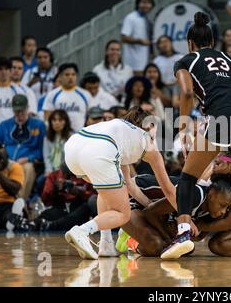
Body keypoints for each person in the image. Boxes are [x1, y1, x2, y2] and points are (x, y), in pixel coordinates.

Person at [160, 12, 231, 261]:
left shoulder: (186, 61)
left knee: (189, 177)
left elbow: (187, 91)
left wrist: (183, 127)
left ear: (190, 43)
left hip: (222, 114)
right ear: (212, 42)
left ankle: (182, 234)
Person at [63, 107, 178, 259]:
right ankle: (82, 231)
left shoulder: (119, 131)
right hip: (98, 150)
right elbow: (169, 191)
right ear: (149, 126)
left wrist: (149, 205)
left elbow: (129, 185)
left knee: (105, 191)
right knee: (123, 214)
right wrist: (185, 220)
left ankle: (105, 244)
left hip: (73, 148)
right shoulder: (145, 141)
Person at [0, 95, 46, 200]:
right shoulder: (4, 125)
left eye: (22, 111)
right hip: (7, 161)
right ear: (12, 110)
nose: (20, 115)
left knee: (28, 168)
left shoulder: (39, 125)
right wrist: (2, 158)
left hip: (27, 161)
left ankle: (19, 201)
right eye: (17, 112)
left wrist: (28, 158)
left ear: (28, 108)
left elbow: (42, 151)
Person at [32, 163, 97, 231]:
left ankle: (51, 226)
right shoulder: (54, 176)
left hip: (79, 207)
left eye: (71, 174)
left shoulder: (85, 176)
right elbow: (45, 200)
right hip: (61, 207)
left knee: (84, 209)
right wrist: (55, 189)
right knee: (43, 216)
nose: (68, 177)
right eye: (65, 174)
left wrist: (79, 192)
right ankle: (32, 224)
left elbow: (94, 197)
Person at [43, 63, 93, 132]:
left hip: (80, 135)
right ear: (60, 76)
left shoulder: (85, 94)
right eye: (67, 75)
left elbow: (91, 115)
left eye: (73, 74)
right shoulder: (52, 95)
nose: (70, 77)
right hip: (59, 136)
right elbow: (47, 117)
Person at [120, 0, 154, 75]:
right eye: (143, 2)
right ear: (138, 4)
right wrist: (140, 41)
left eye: (148, 3)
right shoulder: (131, 17)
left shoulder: (147, 19)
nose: (146, 5)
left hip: (145, 62)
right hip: (133, 64)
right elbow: (123, 37)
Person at [43, 110, 72, 176]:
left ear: (66, 122)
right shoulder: (47, 138)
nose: (57, 123)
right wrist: (49, 170)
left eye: (60, 120)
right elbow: (46, 157)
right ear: (50, 122)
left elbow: (69, 159)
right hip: (50, 171)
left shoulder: (71, 138)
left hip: (66, 172)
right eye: (54, 120)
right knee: (40, 181)